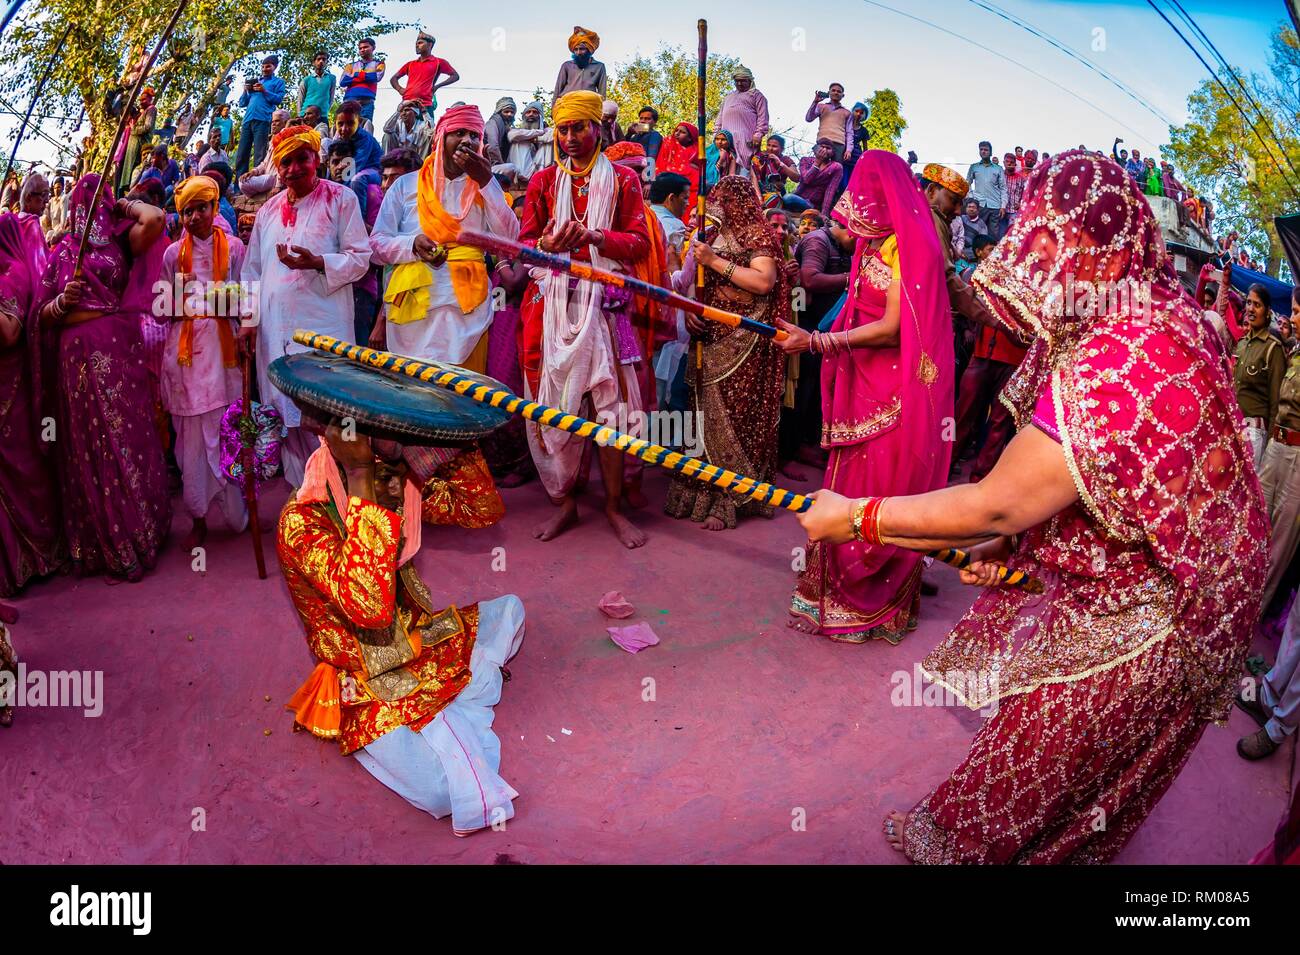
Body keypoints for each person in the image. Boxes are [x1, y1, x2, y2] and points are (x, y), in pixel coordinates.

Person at [796, 150, 1267, 863]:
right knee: (1080, 789)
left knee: (1040, 760)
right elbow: (1111, 480)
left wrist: (857, 516)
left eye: (1051, 247)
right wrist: (1019, 548)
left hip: (1156, 622)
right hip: (1176, 594)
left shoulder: (1123, 350)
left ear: (1087, 251)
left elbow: (994, 503)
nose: (1038, 270)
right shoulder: (1163, 312)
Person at [278, 417, 522, 835]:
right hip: (366, 678)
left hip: (420, 642)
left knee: (510, 610)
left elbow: (482, 509)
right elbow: (368, 608)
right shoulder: (302, 521)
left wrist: (450, 443)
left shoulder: (395, 478)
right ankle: (448, 711)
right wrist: (361, 479)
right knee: (446, 794)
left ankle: (452, 706)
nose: (393, 481)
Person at [780, 150, 954, 644]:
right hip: (860, 385)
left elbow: (893, 328)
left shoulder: (907, 246)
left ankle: (871, 598)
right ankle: (835, 586)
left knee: (881, 482)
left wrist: (817, 342)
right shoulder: (870, 246)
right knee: (850, 477)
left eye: (863, 189)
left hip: (893, 394)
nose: (854, 200)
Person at [518, 90, 649, 548]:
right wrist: (547, 248)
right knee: (556, 409)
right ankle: (566, 504)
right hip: (551, 305)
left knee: (609, 412)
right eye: (564, 129)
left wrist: (595, 236)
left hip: (607, 308)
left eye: (579, 128)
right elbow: (525, 244)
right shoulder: (542, 182)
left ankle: (613, 507)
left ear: (598, 128)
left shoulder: (625, 183)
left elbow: (639, 244)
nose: (570, 137)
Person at [33, 176, 171, 582]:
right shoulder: (61, 253)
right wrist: (60, 303)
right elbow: (38, 316)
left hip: (114, 350)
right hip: (73, 358)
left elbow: (157, 217)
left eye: (101, 196)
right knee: (88, 446)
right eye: (87, 197)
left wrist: (122, 205)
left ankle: (139, 534)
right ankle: (99, 546)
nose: (93, 204)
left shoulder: (119, 244)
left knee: (124, 439)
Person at [240, 125, 372, 486]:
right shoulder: (267, 212)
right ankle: (304, 498)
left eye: (302, 159)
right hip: (272, 333)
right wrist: (249, 322)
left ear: (316, 159)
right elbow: (251, 272)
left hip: (322, 331)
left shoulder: (341, 198)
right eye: (286, 162)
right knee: (285, 417)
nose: (294, 168)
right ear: (277, 169)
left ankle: (338, 496)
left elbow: (361, 258)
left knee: (324, 417)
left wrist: (318, 263)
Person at [662, 175, 787, 531]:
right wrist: (689, 310)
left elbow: (764, 282)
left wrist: (715, 261)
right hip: (708, 335)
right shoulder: (709, 235)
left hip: (743, 342)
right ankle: (696, 489)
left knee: (734, 414)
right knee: (699, 412)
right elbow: (692, 282)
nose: (717, 202)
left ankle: (729, 497)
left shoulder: (756, 235)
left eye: (724, 197)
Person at [369, 103, 518, 368]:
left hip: (468, 310)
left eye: (474, 135)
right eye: (459, 133)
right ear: (441, 138)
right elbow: (378, 245)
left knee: (462, 398)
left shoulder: (485, 185)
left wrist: (486, 182)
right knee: (411, 395)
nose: (467, 141)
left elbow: (509, 238)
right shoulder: (405, 185)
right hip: (412, 308)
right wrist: (412, 244)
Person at [158, 176, 249, 550]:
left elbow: (246, 300)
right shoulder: (170, 255)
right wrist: (213, 301)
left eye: (202, 208)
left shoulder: (237, 249)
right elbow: (165, 308)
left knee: (224, 432)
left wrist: (205, 303)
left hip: (223, 355)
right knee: (189, 441)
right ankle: (197, 515)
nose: (195, 216)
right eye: (187, 211)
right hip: (184, 358)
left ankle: (236, 512)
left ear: (215, 208)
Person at [0, 213, 63, 596]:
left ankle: (36, 556)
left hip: (12, 393)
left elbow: (8, 332)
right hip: (10, 391)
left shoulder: (12, 273)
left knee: (21, 471)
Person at [1232, 271, 1285, 467]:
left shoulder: (1273, 348)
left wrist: (1271, 443)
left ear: (1268, 311)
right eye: (1248, 303)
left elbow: (1276, 403)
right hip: (1234, 426)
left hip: (1255, 432)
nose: (1251, 309)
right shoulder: (1242, 344)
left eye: (1257, 304)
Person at [233, 56, 286, 179]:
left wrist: (264, 91)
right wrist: (245, 91)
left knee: (259, 154)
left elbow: (278, 99)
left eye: (268, 66)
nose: (264, 68)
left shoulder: (278, 82)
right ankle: (239, 186)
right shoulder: (257, 81)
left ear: (275, 67)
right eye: (263, 66)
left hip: (263, 120)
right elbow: (242, 103)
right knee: (241, 155)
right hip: (247, 120)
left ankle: (257, 182)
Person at [390, 30, 458, 122]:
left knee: (427, 133)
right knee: (400, 133)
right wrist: (400, 89)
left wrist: (437, 86)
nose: (417, 45)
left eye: (420, 43)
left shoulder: (438, 62)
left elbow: (455, 76)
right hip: (407, 104)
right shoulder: (410, 64)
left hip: (425, 105)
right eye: (416, 43)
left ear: (430, 45)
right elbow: (393, 79)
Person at [716, 66, 770, 173]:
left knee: (744, 173)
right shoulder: (728, 97)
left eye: (743, 81)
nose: (739, 84)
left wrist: (758, 134)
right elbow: (719, 119)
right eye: (737, 81)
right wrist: (716, 135)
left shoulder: (756, 95)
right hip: (725, 142)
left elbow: (763, 118)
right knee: (723, 173)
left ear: (750, 81)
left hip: (746, 142)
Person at [117, 87, 157, 195]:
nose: (141, 102)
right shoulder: (140, 113)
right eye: (140, 100)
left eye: (144, 99)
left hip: (140, 146)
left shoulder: (151, 109)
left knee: (136, 169)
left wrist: (134, 129)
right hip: (132, 147)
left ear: (150, 99)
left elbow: (147, 126)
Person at [553, 26, 606, 102]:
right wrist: (553, 111)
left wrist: (602, 110)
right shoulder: (566, 65)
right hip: (567, 104)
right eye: (576, 49)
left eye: (581, 49)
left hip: (589, 105)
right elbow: (558, 89)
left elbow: (602, 92)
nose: (578, 52)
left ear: (588, 50)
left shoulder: (599, 66)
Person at [505, 100, 553, 186]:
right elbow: (511, 136)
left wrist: (536, 139)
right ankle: (522, 176)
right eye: (528, 112)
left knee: (549, 143)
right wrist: (537, 133)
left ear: (540, 117)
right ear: (524, 116)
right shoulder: (517, 131)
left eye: (535, 112)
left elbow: (554, 135)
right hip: (521, 171)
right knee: (519, 141)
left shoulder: (547, 130)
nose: (531, 114)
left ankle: (544, 176)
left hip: (539, 169)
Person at [340, 37, 386, 125]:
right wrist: (365, 78)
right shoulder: (351, 65)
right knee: (346, 128)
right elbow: (343, 81)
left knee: (365, 129)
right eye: (360, 48)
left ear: (373, 48)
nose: (362, 50)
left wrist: (357, 75)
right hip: (349, 101)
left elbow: (376, 77)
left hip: (367, 103)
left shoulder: (379, 64)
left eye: (365, 47)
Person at [805, 83, 854, 164]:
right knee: (819, 168)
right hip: (822, 142)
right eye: (833, 90)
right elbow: (808, 118)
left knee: (836, 170)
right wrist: (815, 102)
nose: (836, 93)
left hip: (839, 145)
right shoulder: (821, 106)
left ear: (843, 95)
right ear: (829, 93)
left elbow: (849, 133)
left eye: (839, 91)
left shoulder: (847, 113)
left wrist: (849, 150)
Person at [795, 139, 844, 218]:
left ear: (833, 152)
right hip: (798, 198)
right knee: (788, 198)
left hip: (813, 204)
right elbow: (806, 180)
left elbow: (830, 191)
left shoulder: (836, 167)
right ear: (816, 148)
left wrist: (824, 214)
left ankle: (813, 212)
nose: (824, 150)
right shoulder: (805, 160)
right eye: (822, 147)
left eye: (828, 148)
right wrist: (817, 162)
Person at [626, 106, 663, 178]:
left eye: (647, 119)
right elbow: (623, 149)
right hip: (632, 173)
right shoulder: (635, 137)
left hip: (644, 176)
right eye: (641, 118)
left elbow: (652, 157)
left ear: (654, 122)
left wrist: (648, 181)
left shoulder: (654, 135)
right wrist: (629, 134)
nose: (642, 121)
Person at [17, 173, 50, 251]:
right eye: (43, 194)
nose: (47, 200)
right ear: (28, 198)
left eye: (48, 195)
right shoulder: (31, 225)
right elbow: (39, 262)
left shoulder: (18, 223)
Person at [298, 51, 337, 117]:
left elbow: (331, 97)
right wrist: (299, 115)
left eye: (324, 59)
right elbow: (300, 99)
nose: (321, 61)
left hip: (322, 115)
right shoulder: (306, 80)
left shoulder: (331, 78)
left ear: (326, 62)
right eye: (318, 59)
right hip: (305, 115)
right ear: (314, 62)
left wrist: (326, 111)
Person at [483, 97, 517, 167]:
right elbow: (492, 146)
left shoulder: (507, 128)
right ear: (499, 111)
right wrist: (502, 165)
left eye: (512, 112)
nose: (509, 114)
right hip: (492, 165)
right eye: (506, 111)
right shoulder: (492, 123)